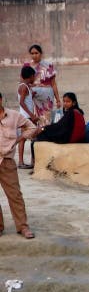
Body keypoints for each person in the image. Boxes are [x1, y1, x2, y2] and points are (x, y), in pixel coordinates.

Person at [0, 92, 40, 239]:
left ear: (0, 100)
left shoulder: (13, 115)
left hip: (7, 161)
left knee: (15, 195)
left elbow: (31, 127)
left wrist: (19, 139)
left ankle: (23, 227)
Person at [24, 44, 60, 126]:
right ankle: (36, 131)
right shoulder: (27, 66)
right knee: (34, 116)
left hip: (47, 96)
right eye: (32, 53)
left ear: (41, 53)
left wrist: (58, 99)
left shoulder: (48, 65)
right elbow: (23, 81)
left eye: (36, 53)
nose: (34, 55)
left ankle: (46, 132)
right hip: (32, 95)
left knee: (47, 117)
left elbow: (53, 84)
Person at [17, 66, 38, 169]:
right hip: (26, 117)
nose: (35, 78)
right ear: (31, 76)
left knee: (23, 139)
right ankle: (31, 161)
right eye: (34, 76)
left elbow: (26, 100)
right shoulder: (24, 87)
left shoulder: (25, 86)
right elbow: (21, 102)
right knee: (33, 137)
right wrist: (32, 115)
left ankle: (21, 162)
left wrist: (32, 95)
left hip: (24, 117)